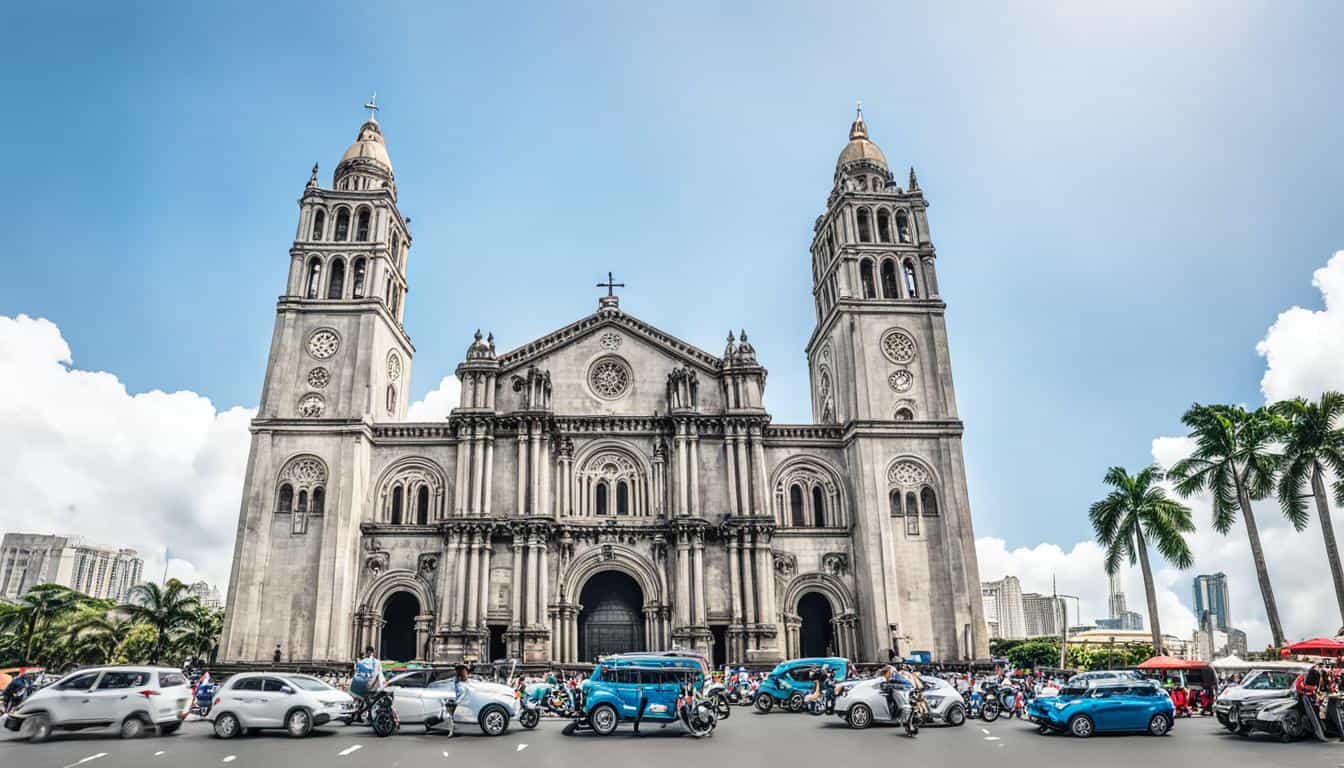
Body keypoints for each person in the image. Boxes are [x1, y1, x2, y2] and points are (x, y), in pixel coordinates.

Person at [349, 646, 386, 721]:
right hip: (369, 684)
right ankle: (364, 715)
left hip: (367, 684)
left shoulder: (368, 662)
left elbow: (358, 673)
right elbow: (379, 673)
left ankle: (361, 715)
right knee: (367, 702)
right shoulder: (373, 662)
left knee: (366, 701)